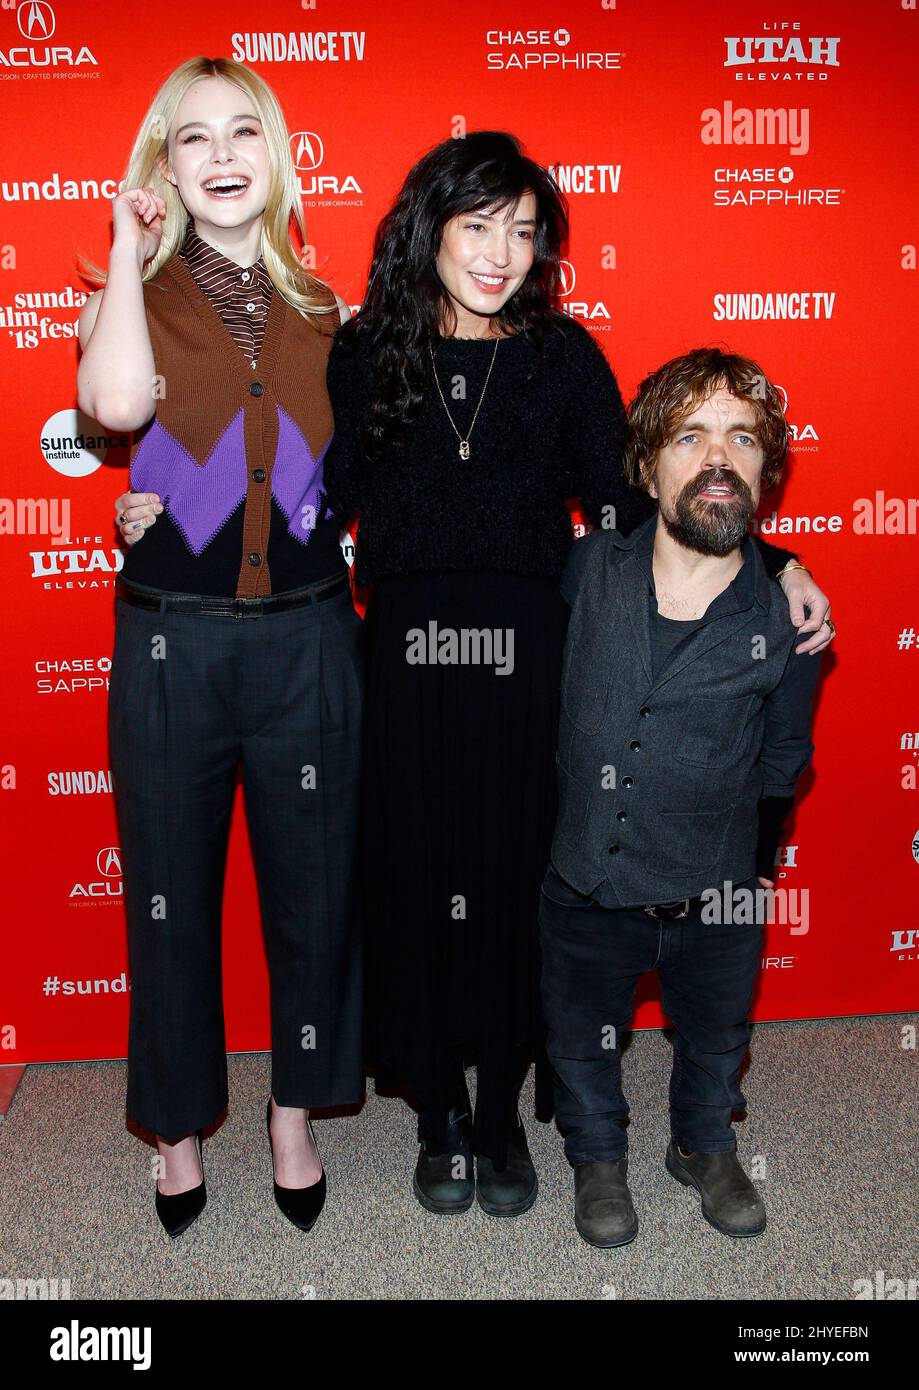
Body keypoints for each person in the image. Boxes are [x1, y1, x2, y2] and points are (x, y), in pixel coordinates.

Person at [117, 131, 835, 1220]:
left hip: (528, 663)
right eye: (476, 224)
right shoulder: (366, 354)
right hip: (400, 661)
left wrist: (774, 562)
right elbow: (297, 496)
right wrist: (163, 511)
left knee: (509, 888)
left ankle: (500, 1110)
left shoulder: (561, 357)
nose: (500, 251)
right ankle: (437, 1111)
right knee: (410, 882)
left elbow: (642, 508)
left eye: (522, 229)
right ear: (429, 228)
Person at [77, 56, 363, 1238]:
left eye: (242, 131)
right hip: (168, 654)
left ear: (277, 152)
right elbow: (120, 409)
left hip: (307, 642)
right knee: (167, 903)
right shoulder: (129, 290)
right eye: (191, 139)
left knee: (313, 896)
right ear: (166, 164)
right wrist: (126, 252)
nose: (221, 154)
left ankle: (295, 1113)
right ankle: (180, 1129)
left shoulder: (324, 309)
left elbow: (350, 475)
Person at [538, 347, 825, 1248]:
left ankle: (702, 1146)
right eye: (689, 435)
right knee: (582, 1041)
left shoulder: (787, 617)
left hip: (719, 891)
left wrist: (741, 862)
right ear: (645, 461)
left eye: (741, 439)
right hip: (584, 883)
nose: (716, 458)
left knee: (714, 1038)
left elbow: (784, 760)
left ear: (764, 469)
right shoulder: (584, 573)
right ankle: (597, 1157)